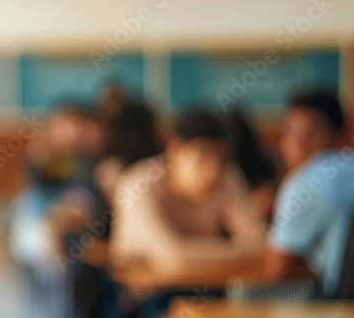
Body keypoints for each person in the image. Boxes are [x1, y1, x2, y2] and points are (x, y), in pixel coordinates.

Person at [109, 108, 267, 274]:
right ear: (175, 150)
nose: (213, 171)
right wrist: (237, 251)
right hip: (142, 295)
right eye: (202, 158)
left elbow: (259, 244)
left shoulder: (225, 175)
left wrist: (190, 254)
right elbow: (174, 259)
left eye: (221, 159)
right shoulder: (137, 184)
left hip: (204, 286)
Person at [266, 90, 354, 296]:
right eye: (290, 132)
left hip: (348, 311)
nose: (297, 144)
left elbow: (276, 273)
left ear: (340, 135)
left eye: (310, 133)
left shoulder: (307, 181)